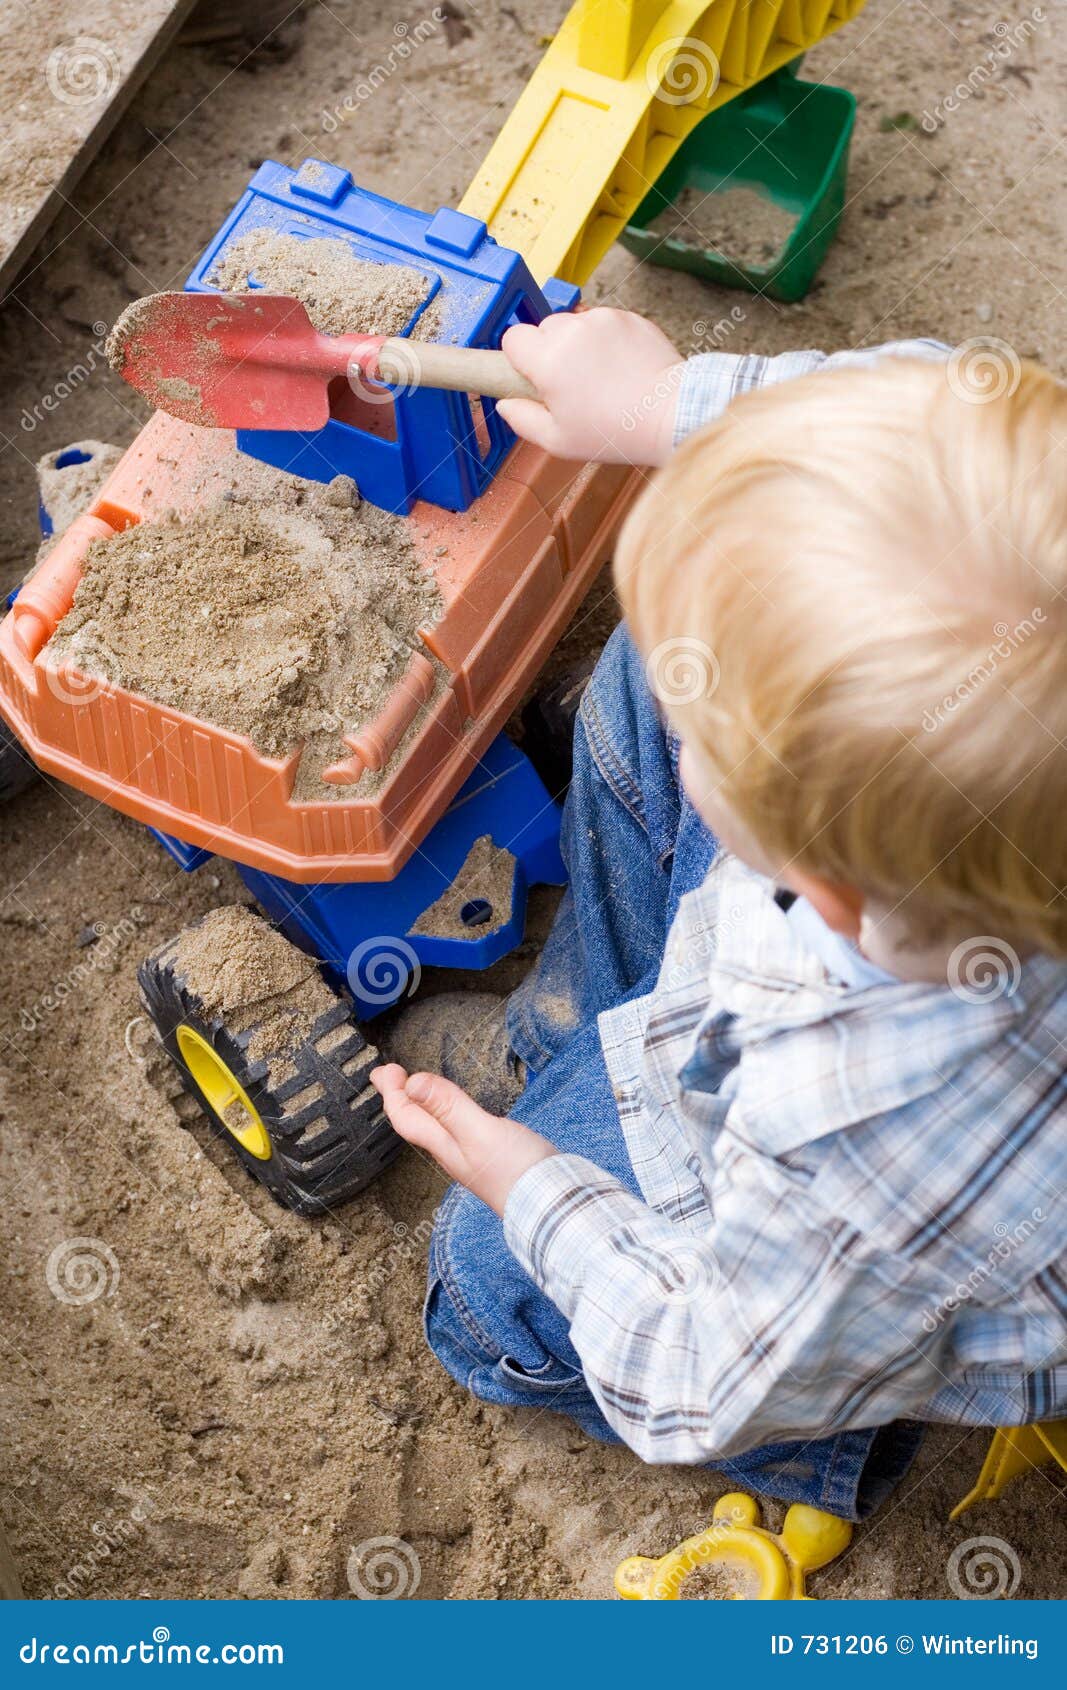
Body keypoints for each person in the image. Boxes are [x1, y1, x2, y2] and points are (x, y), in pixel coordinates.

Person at [372, 309, 1067, 1520]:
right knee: (666, 657)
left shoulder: (854, 1137)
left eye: (718, 759)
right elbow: (929, 415)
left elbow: (699, 1370)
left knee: (479, 1285)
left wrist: (533, 1179)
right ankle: (578, 1038)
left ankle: (830, 1450)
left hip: (822, 1287)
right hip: (860, 962)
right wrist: (669, 403)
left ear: (823, 883)